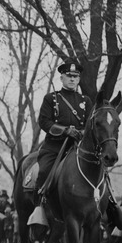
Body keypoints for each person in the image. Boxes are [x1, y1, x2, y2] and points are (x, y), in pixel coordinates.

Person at [28, 59, 93, 224]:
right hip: (55, 147)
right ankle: (38, 208)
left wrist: (82, 132)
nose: (72, 79)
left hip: (78, 148)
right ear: (62, 78)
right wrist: (65, 130)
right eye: (68, 75)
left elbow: (91, 125)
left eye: (75, 76)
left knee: (99, 173)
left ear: (79, 79)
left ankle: (108, 206)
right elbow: (44, 121)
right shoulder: (52, 99)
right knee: (43, 173)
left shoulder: (86, 101)